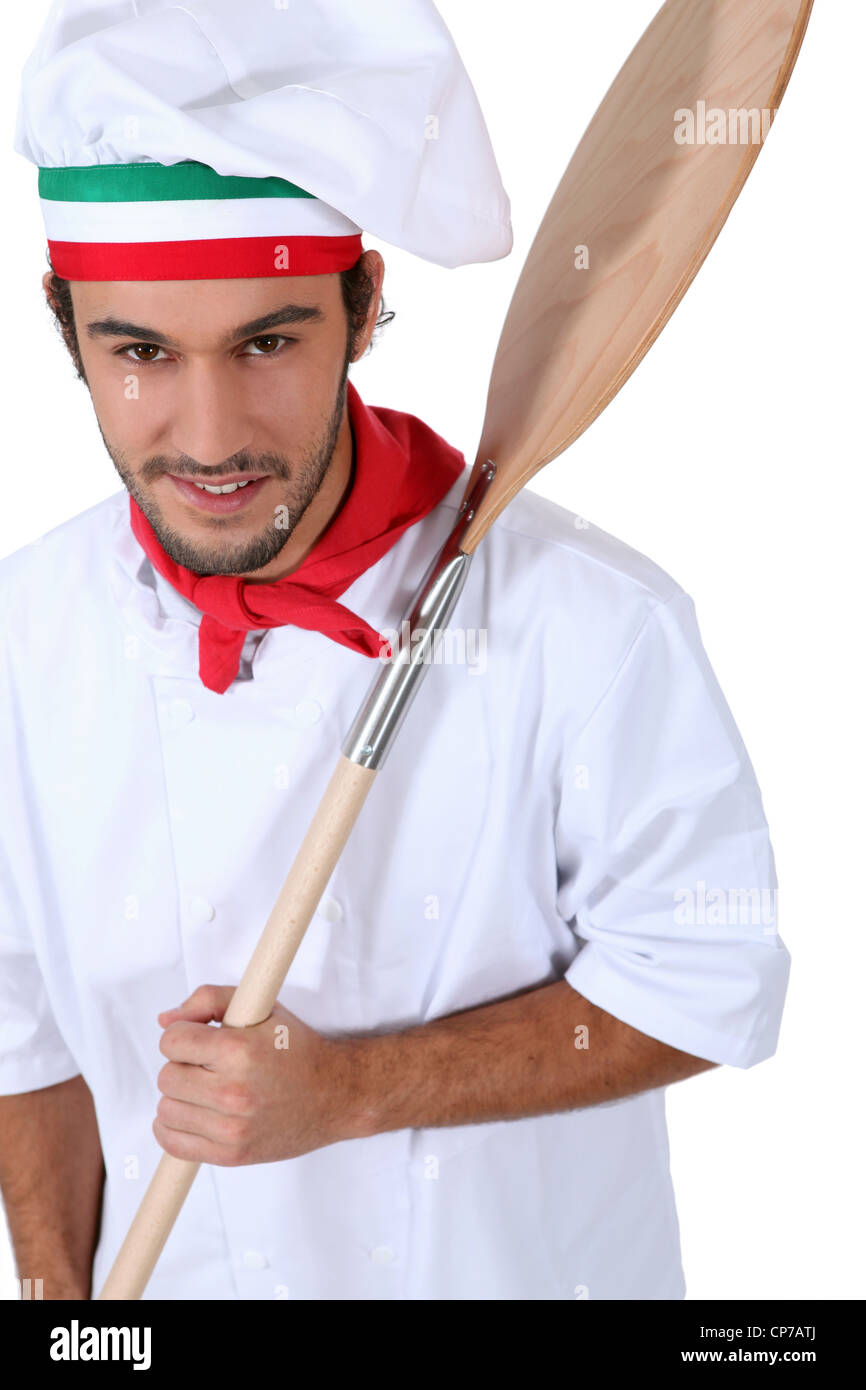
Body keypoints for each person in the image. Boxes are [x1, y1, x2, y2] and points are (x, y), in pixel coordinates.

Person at [0, 0, 789, 1302]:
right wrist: (60, 1307)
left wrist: (354, 1089)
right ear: (63, 324)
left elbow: (704, 981)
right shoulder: (22, 636)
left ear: (362, 306)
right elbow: (20, 1031)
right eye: (138, 351)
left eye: (267, 342)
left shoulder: (584, 624)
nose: (207, 435)